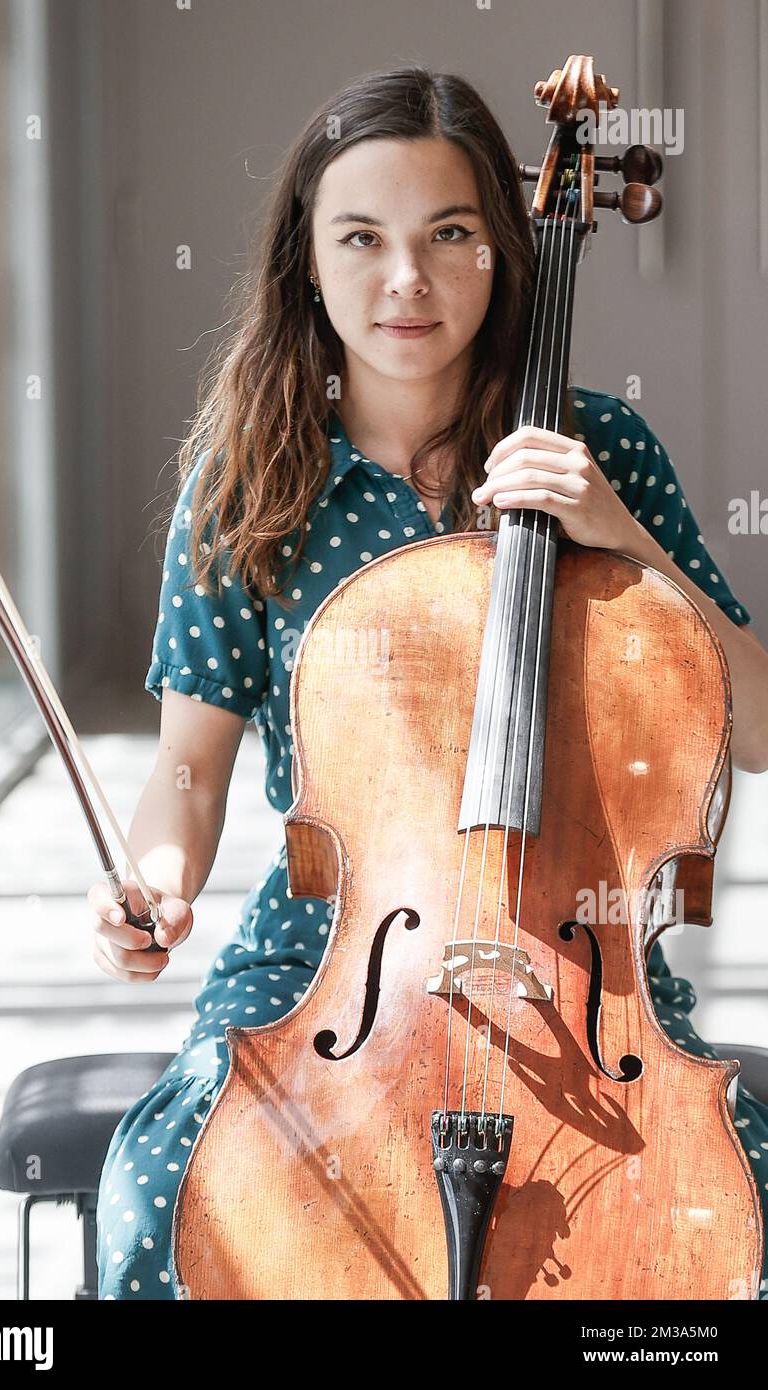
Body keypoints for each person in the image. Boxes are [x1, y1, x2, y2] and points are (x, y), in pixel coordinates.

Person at [92, 65, 768, 1300]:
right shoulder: (251, 477)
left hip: (587, 981)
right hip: (322, 966)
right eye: (360, 238)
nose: (404, 282)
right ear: (306, 256)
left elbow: (760, 729)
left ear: (505, 252)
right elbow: (188, 772)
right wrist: (153, 885)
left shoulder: (598, 445)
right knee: (157, 1210)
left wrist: (623, 536)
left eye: (449, 236)